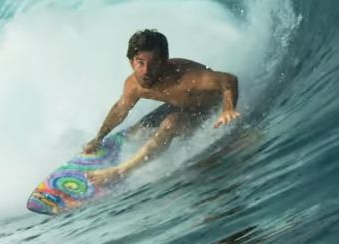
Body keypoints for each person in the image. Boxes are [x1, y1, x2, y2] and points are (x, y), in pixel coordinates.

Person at [84, 29, 241, 184]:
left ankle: (121, 171)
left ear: (165, 61)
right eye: (140, 63)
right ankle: (140, 148)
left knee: (170, 124)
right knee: (136, 132)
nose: (146, 71)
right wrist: (99, 138)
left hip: (206, 111)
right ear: (131, 62)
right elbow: (120, 109)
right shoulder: (134, 85)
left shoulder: (187, 78)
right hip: (178, 105)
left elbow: (228, 80)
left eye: (154, 63)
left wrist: (228, 109)